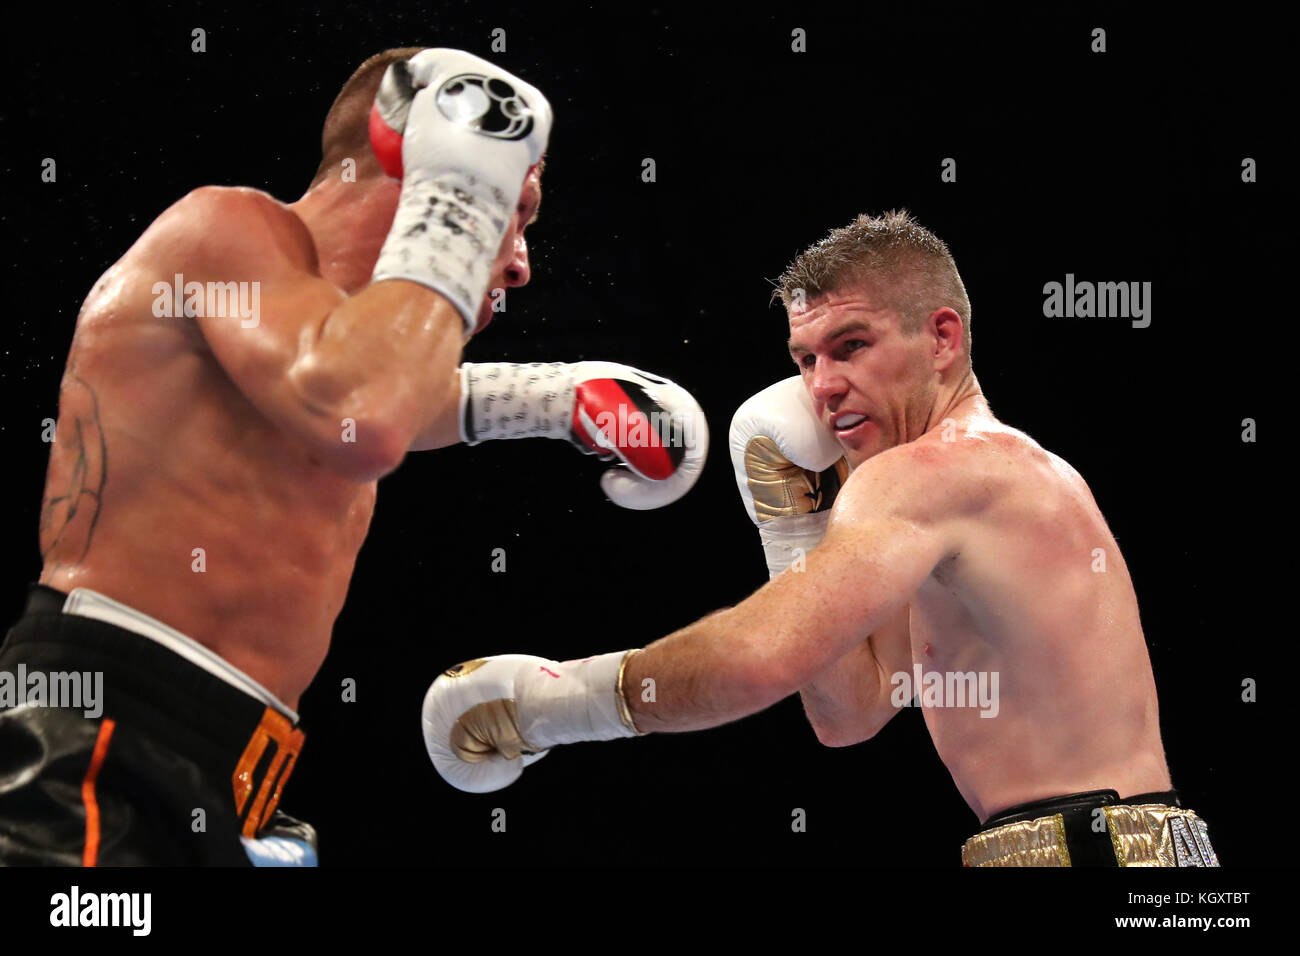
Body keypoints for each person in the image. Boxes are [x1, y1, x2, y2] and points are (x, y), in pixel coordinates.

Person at [0, 47, 706, 866]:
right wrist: (461, 205)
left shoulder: (323, 351)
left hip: (236, 772)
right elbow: (362, 413)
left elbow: (403, 402)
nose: (518, 260)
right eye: (514, 210)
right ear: (423, 161)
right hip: (99, 744)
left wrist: (558, 399)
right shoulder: (223, 229)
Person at [421, 209, 1218, 867]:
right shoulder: (982, 486)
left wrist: (548, 708)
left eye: (852, 346)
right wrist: (791, 523)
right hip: (1129, 855)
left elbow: (759, 659)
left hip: (1093, 854)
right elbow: (853, 711)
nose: (822, 387)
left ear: (942, 339)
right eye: (804, 359)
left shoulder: (936, 476)